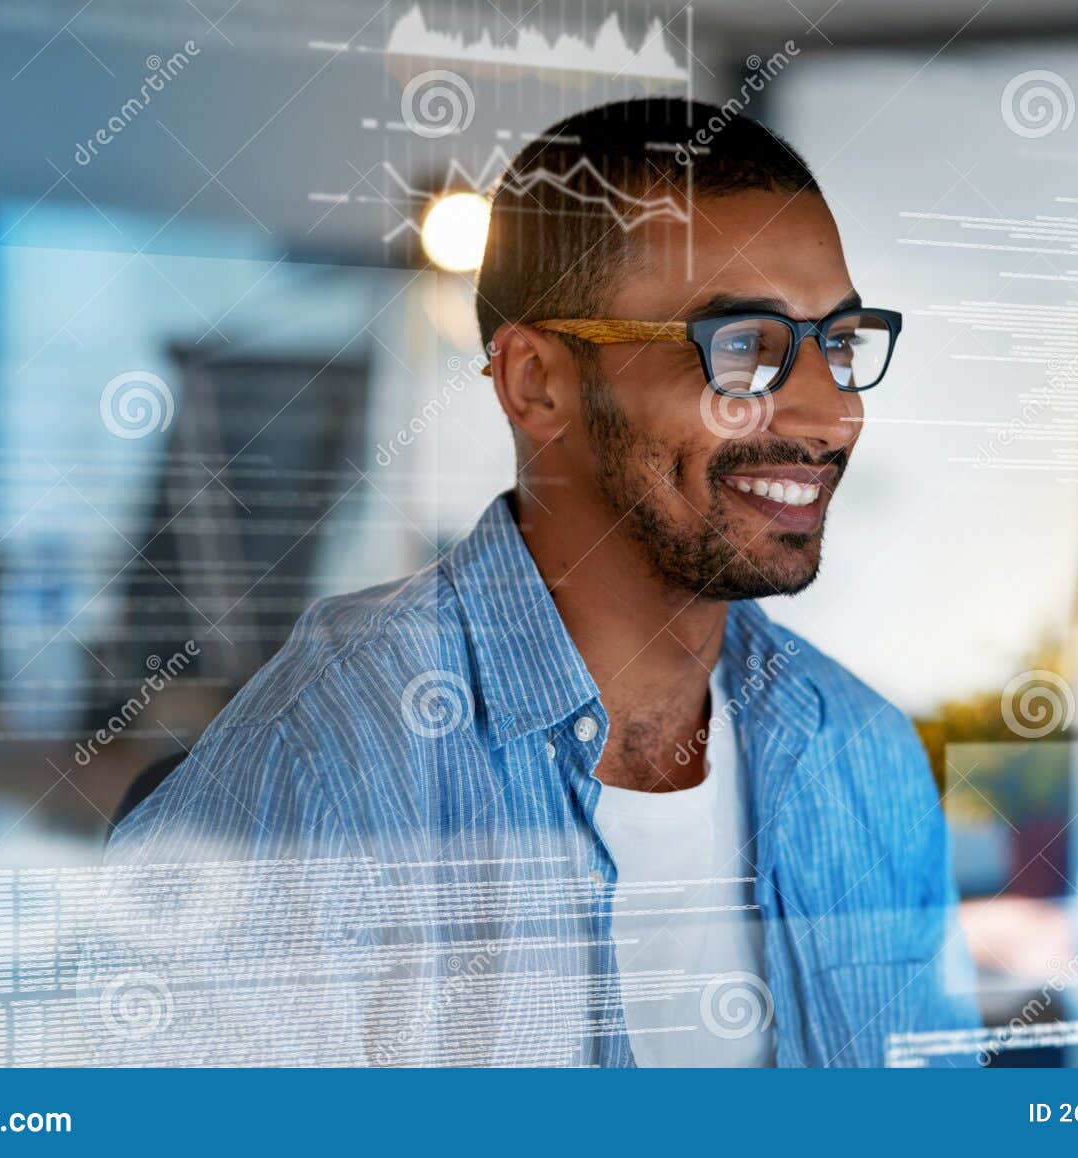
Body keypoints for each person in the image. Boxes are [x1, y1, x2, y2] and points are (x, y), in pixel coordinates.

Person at [104, 97, 979, 1068]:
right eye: (744, 347)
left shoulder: (862, 757)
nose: (831, 415)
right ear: (535, 383)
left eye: (842, 344)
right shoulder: (333, 757)